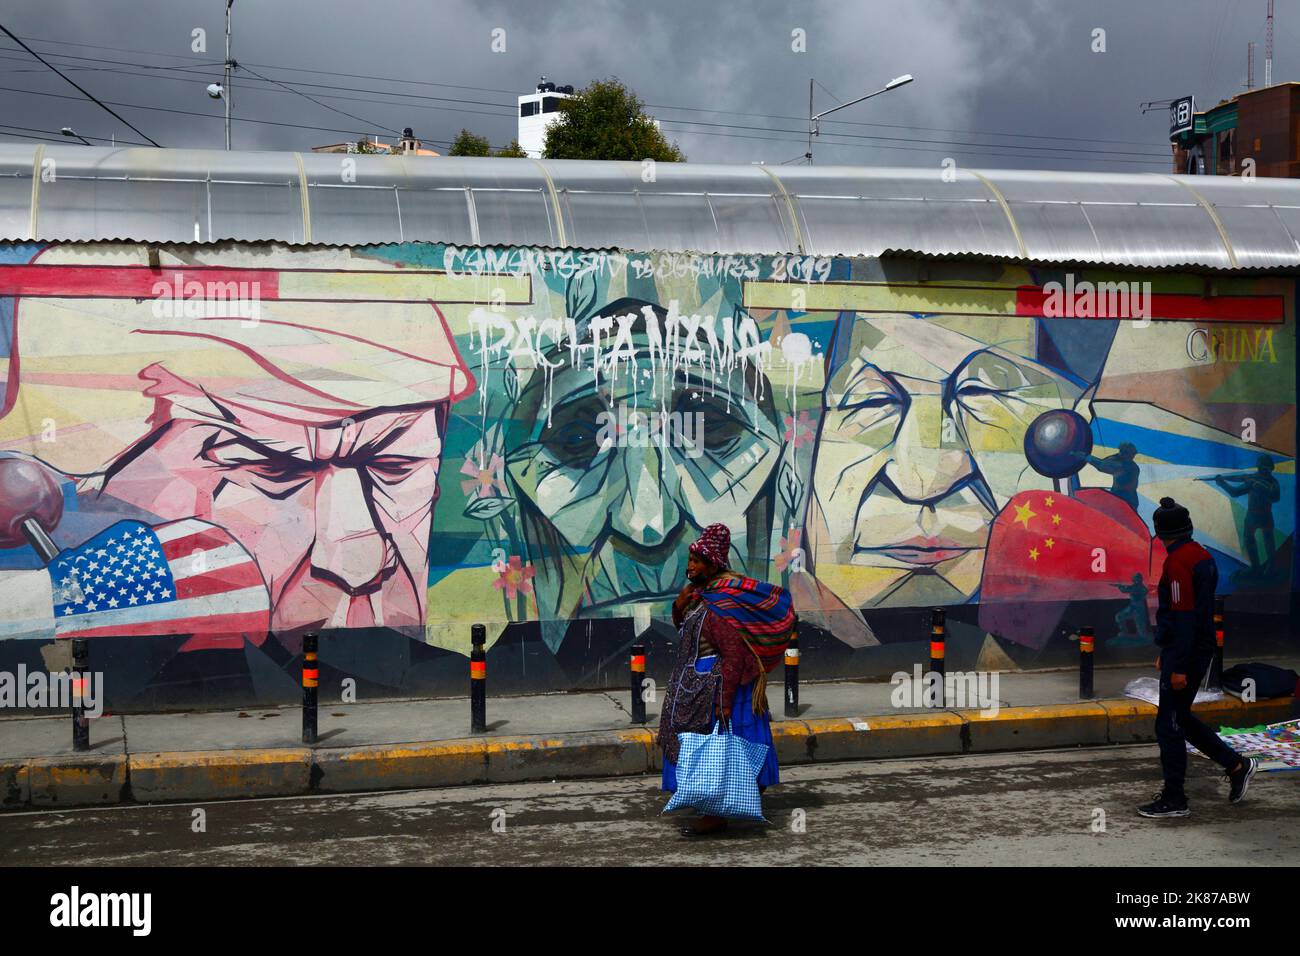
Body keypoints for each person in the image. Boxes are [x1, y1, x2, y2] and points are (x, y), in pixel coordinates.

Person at [657, 523, 785, 837]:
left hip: (722, 687)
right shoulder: (701, 595)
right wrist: (680, 603)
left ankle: (718, 811)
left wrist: (724, 703)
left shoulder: (721, 602)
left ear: (712, 564)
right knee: (721, 748)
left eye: (696, 561)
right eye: (690, 559)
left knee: (728, 745)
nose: (690, 566)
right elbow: (684, 628)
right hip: (700, 684)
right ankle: (725, 799)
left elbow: (733, 655)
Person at [1138, 497, 1257, 818]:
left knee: (1169, 725)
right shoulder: (1201, 554)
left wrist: (1176, 663)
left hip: (1187, 652)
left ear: (1161, 533)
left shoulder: (1178, 563)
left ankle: (1175, 798)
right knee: (1180, 719)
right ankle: (1236, 765)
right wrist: (1169, 652)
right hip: (1193, 648)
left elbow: (1184, 616)